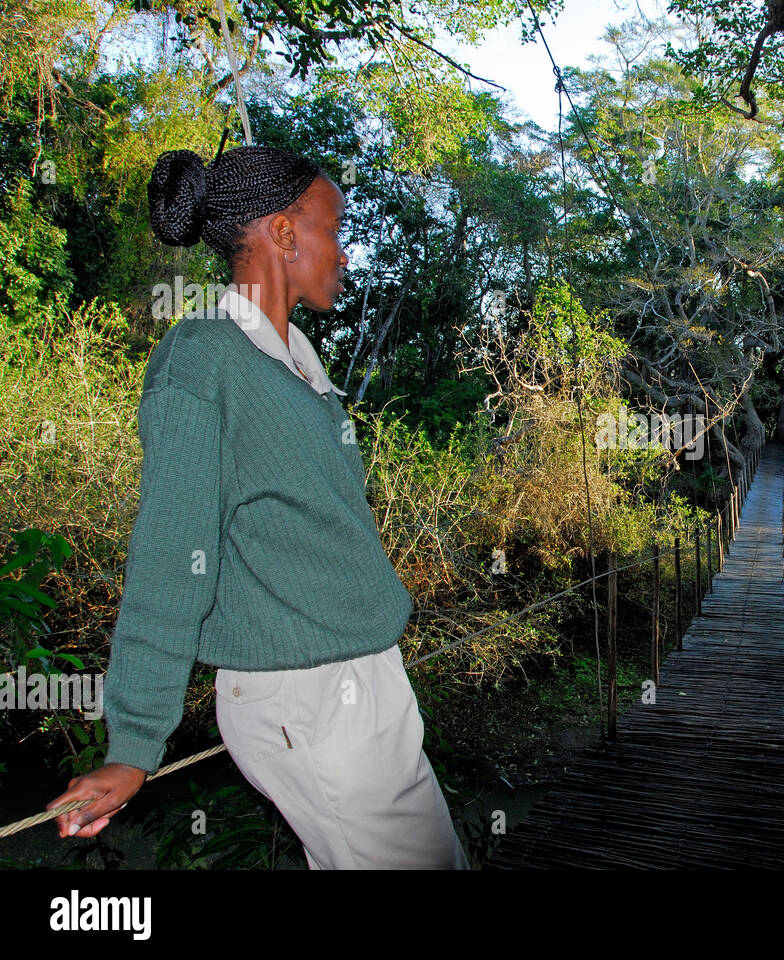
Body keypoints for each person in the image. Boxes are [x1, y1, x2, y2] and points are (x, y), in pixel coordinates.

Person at [45, 144, 469, 869]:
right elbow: (171, 557)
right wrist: (136, 741)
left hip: (358, 684)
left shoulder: (293, 359)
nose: (343, 252)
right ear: (281, 232)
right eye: (332, 229)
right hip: (308, 701)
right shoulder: (203, 361)